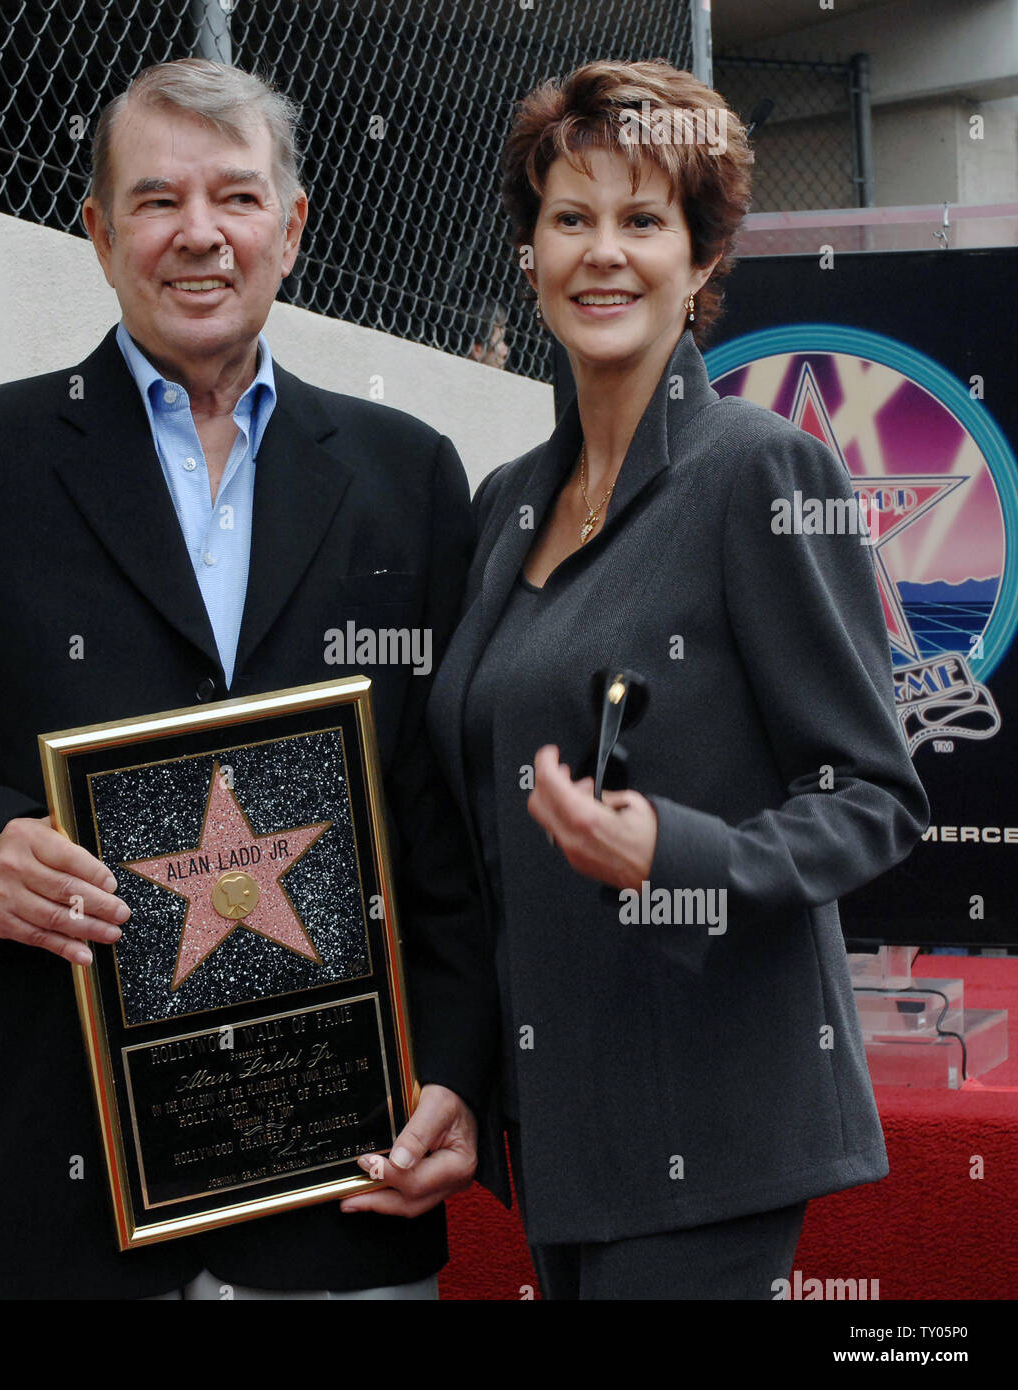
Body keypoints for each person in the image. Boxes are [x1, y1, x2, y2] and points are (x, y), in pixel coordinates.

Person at [0, 59, 496, 1300]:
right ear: (100, 232)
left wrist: (455, 1064)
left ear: (293, 227)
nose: (199, 234)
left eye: (236, 196)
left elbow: (439, 813)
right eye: (158, 198)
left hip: (341, 1175)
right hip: (66, 1180)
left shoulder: (411, 477)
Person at [425, 60, 930, 1300]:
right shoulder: (502, 510)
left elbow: (875, 795)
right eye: (571, 218)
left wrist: (680, 855)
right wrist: (463, 1075)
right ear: (531, 256)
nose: (605, 253)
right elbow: (484, 845)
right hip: (558, 1129)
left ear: (701, 263)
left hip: (710, 1128)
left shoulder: (764, 471)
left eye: (645, 220)